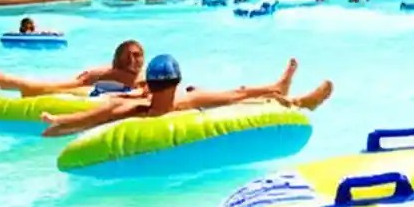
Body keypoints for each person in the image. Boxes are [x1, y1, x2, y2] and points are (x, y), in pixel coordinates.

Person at [40, 55, 333, 137]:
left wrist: (60, 122)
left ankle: (284, 92)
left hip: (193, 102)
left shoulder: (183, 100)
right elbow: (93, 117)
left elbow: (236, 95)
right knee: (233, 95)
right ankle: (285, 95)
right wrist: (59, 121)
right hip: (186, 103)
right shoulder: (135, 107)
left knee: (237, 95)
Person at [0, 39, 145, 97]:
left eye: (137, 55)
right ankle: (3, 80)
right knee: (49, 87)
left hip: (94, 79)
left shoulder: (135, 73)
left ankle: (4, 81)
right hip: (88, 82)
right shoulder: (127, 75)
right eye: (128, 56)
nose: (133, 60)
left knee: (49, 85)